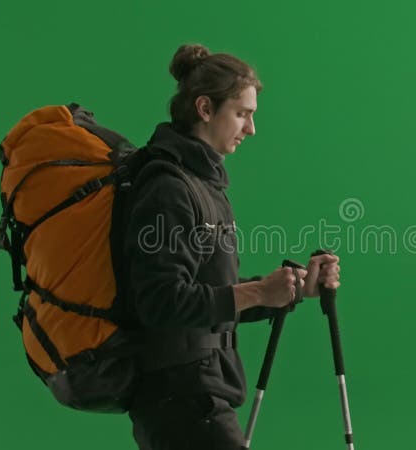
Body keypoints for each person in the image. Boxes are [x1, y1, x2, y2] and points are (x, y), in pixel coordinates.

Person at [123, 43, 342, 450]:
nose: (251, 129)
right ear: (205, 109)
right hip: (179, 399)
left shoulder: (204, 185)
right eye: (242, 113)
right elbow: (159, 301)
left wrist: (291, 289)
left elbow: (213, 294)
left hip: (200, 393)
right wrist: (260, 291)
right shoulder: (168, 189)